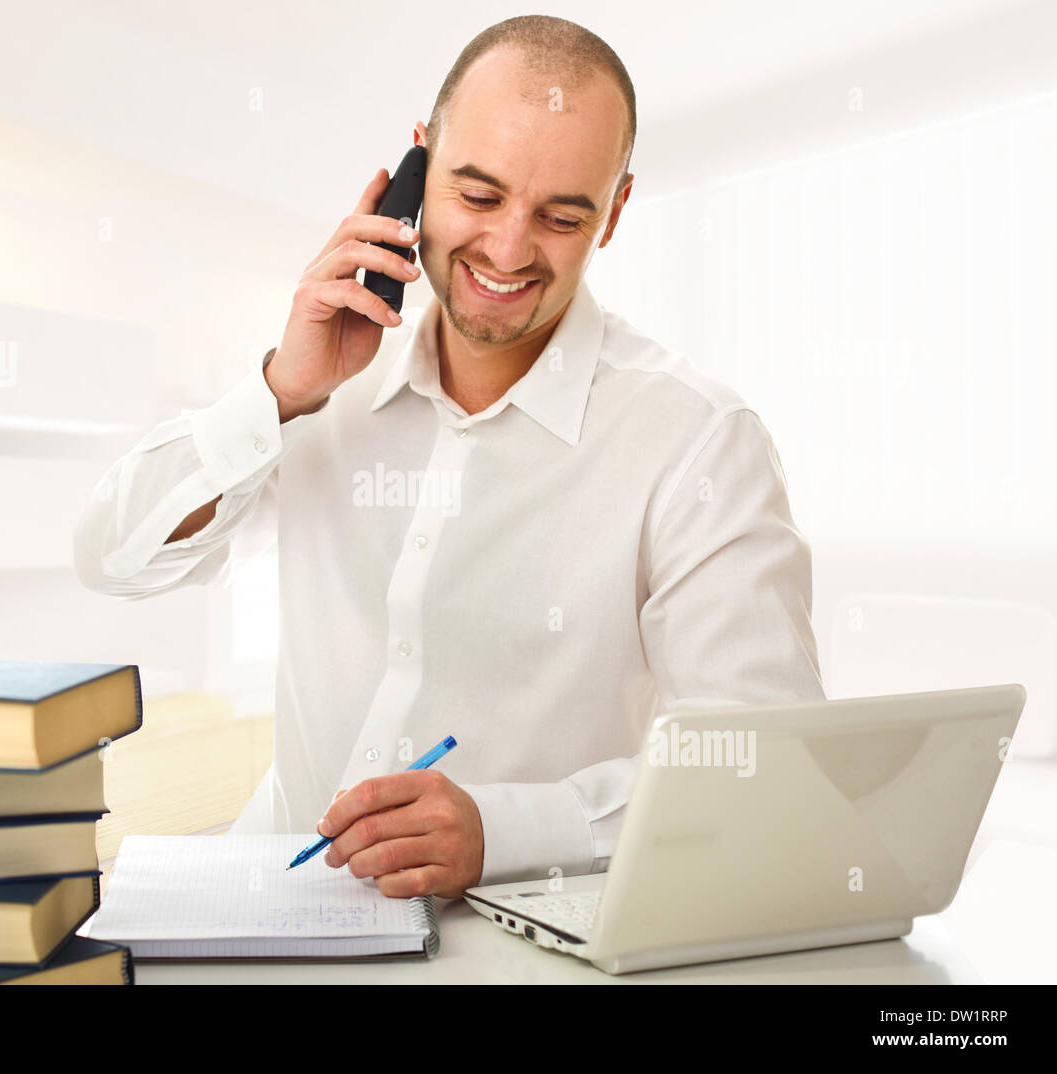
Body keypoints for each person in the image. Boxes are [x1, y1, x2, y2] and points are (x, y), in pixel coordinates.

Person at [73, 15, 824, 900]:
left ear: (614, 212)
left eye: (561, 215)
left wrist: (507, 830)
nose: (507, 251)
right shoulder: (323, 376)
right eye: (477, 195)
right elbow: (112, 559)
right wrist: (278, 393)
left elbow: (760, 766)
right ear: (417, 167)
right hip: (270, 898)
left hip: (509, 931)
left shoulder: (698, 439)